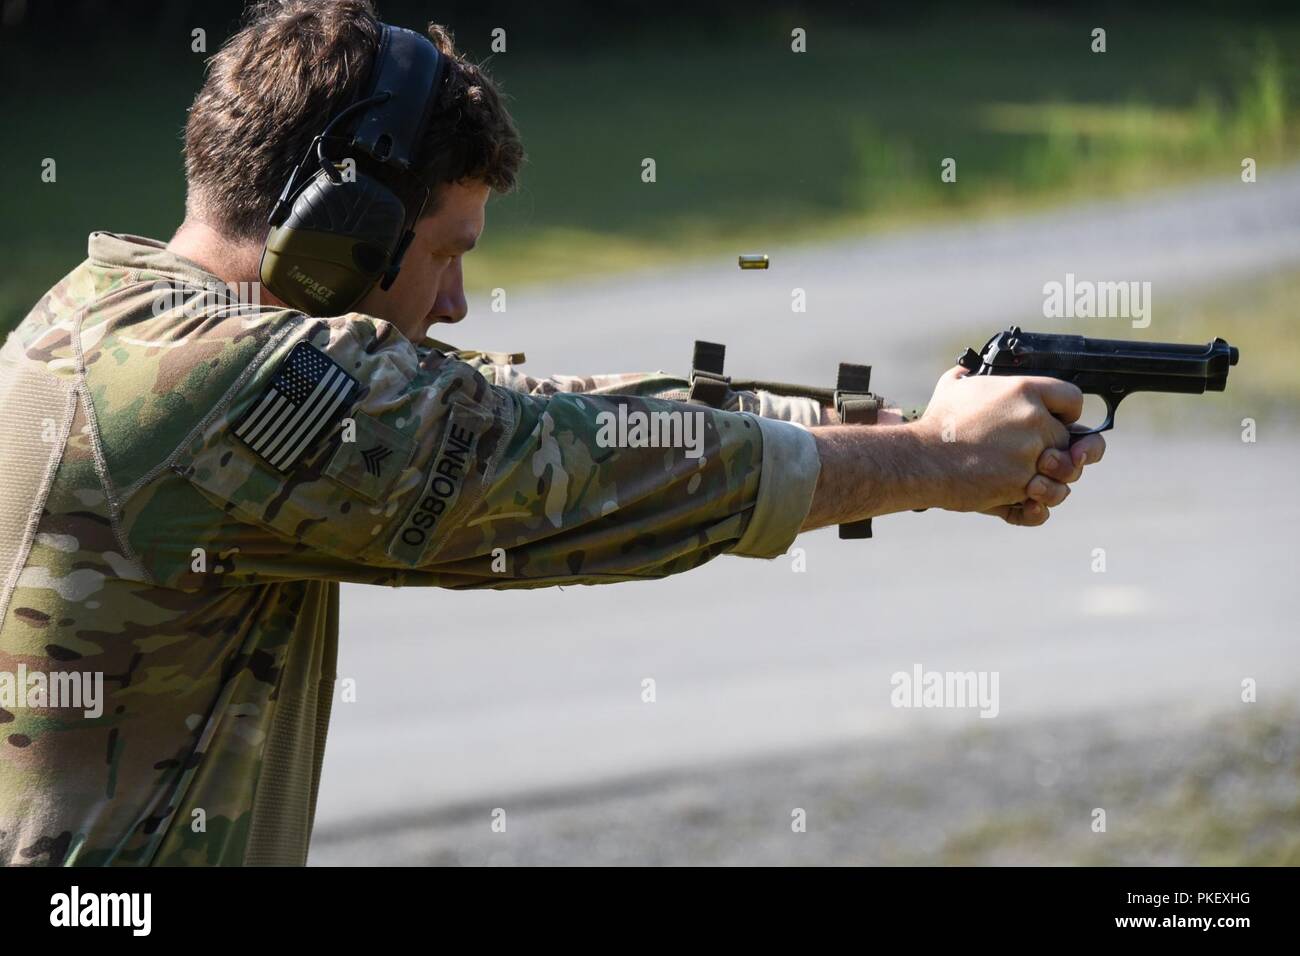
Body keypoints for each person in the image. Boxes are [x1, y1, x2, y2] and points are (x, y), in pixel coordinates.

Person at [0, 0, 1103, 866]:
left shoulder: (110, 318)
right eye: (446, 249)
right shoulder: (203, 381)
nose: (455, 301)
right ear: (337, 233)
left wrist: (900, 422)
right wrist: (932, 462)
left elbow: (525, 408)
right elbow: (546, 470)